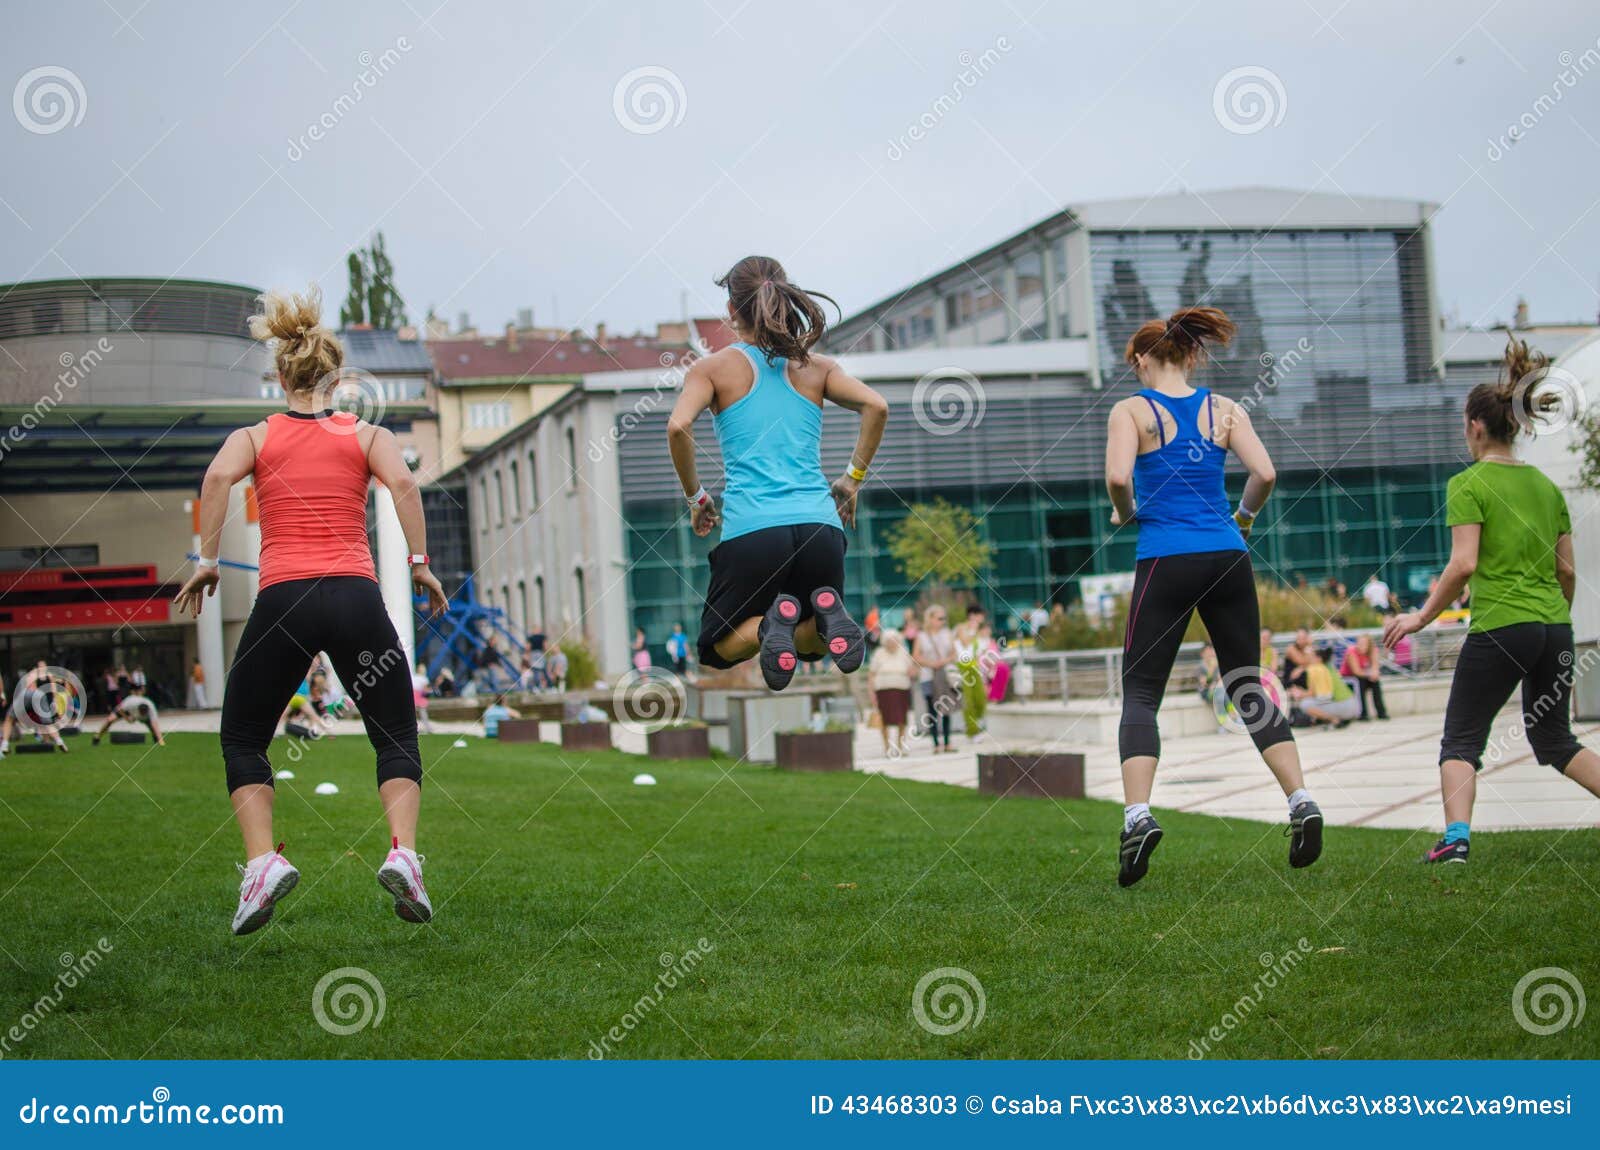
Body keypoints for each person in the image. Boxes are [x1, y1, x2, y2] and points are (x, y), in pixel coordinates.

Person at [172, 285, 448, 936]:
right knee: (395, 735)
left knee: (243, 737)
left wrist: (208, 558)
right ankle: (404, 856)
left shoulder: (256, 436)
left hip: (285, 599)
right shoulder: (366, 434)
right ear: (335, 377)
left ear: (280, 376)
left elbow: (215, 480)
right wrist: (419, 564)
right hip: (355, 596)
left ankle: (262, 864)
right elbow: (405, 482)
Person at [1105, 305, 1321, 886]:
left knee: (1141, 693)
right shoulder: (1225, 410)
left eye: (1135, 364)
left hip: (1164, 557)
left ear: (1143, 359)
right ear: (1192, 354)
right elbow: (1266, 474)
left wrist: (1126, 515)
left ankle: (1138, 817)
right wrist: (1243, 518)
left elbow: (1119, 480)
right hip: (1228, 555)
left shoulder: (1132, 410)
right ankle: (1300, 800)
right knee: (1247, 684)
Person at [1384, 337, 1600, 863]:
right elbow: (1566, 570)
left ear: (1475, 427)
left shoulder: (1468, 483)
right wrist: (1554, 621)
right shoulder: (1547, 489)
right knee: (1554, 740)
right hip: (1553, 627)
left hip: (1501, 626)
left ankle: (1455, 840)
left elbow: (1463, 564)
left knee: (1460, 740)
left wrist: (1419, 616)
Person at [667, 255, 888, 691]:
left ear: (732, 311)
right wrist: (851, 480)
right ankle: (826, 611)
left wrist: (697, 499)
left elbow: (678, 426)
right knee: (815, 645)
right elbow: (876, 406)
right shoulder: (817, 367)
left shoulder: (711, 369)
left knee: (715, 646)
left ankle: (771, 626)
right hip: (820, 529)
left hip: (753, 532)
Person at [913, 605, 960, 753]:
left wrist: (943, 662)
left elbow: (954, 654)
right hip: (928, 676)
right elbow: (916, 656)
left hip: (944, 674)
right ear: (930, 619)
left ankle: (947, 742)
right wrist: (931, 663)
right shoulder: (921, 636)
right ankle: (935, 743)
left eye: (944, 618)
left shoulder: (947, 634)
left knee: (946, 708)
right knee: (931, 710)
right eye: (940, 618)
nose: (942, 621)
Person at [867, 629, 914, 757]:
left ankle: (900, 746)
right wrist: (871, 693)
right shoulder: (878, 654)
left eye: (894, 640)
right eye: (889, 641)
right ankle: (887, 747)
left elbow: (912, 670)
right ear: (884, 642)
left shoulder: (904, 652)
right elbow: (871, 674)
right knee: (885, 721)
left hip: (901, 689)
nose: (892, 643)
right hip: (883, 691)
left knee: (901, 720)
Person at [1294, 648, 1359, 727]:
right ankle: (1336, 719)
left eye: (1310, 656)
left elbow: (1313, 693)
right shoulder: (1329, 667)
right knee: (1314, 701)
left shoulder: (1315, 669)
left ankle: (1335, 720)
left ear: (1318, 659)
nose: (1307, 658)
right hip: (1353, 705)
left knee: (1305, 704)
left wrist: (1298, 694)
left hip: (1343, 707)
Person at [92, 691, 166, 746]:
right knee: (109, 720)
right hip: (125, 711)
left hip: (135, 713)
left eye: (144, 713)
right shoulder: (130, 703)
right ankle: (97, 737)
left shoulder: (151, 708)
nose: (143, 714)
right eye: (142, 713)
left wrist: (162, 741)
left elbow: (155, 724)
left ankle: (157, 740)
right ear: (139, 710)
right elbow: (119, 709)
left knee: (152, 726)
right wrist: (127, 718)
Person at [1341, 634, 1388, 721]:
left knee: (1375, 681)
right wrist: (1370, 674)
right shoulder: (1351, 651)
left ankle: (1381, 712)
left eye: (1363, 644)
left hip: (1364, 676)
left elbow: (1375, 668)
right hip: (1348, 680)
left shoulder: (1373, 651)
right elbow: (1356, 671)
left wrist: (1374, 674)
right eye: (1359, 643)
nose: (1360, 646)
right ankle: (1363, 714)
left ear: (1369, 644)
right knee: (1360, 682)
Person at [1196, 643, 1229, 728]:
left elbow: (1221, 679)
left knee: (1224, 695)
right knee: (1220, 697)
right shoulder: (1200, 667)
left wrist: (1216, 684)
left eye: (1211, 652)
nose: (1210, 654)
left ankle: (1225, 722)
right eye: (1207, 652)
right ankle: (1224, 723)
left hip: (1218, 690)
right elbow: (1204, 683)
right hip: (1207, 692)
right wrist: (1211, 669)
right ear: (1202, 654)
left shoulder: (1217, 664)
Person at [412, 660, 435, 734]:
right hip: (418, 695)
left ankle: (413, 728)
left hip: (412, 695)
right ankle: (428, 728)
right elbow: (425, 689)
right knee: (423, 713)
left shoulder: (413, 676)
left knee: (413, 714)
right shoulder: (424, 679)